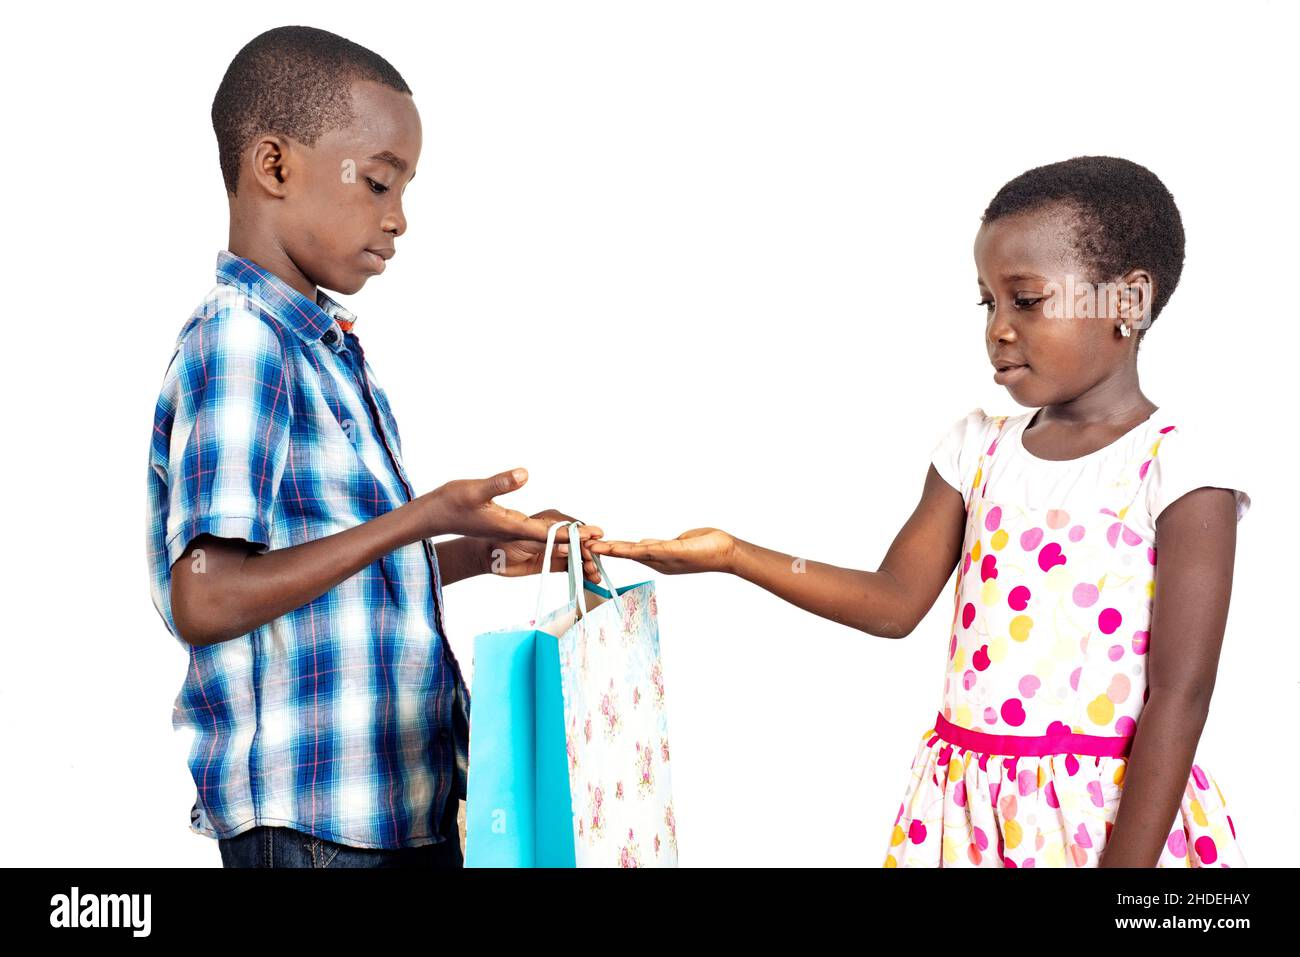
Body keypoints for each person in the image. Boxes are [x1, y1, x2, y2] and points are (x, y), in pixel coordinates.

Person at [590, 156, 1250, 867]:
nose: (998, 328)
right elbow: (894, 600)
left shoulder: (1179, 467)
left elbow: (1180, 696)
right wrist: (732, 555)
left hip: (1109, 827)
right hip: (966, 816)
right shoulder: (977, 451)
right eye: (987, 303)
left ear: (1128, 302)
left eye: (1025, 300)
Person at [145, 25, 602, 868]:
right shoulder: (241, 343)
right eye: (381, 182)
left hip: (399, 804)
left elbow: (329, 575)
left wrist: (474, 547)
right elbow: (206, 596)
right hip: (319, 825)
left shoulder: (326, 348)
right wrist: (416, 518)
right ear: (275, 166)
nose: (399, 218)